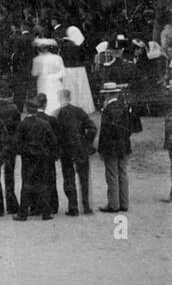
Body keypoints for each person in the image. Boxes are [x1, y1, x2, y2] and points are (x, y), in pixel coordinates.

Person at [97, 83, 141, 213]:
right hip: (124, 144)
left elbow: (105, 132)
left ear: (107, 94)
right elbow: (130, 128)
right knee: (122, 173)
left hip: (111, 146)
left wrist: (101, 149)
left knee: (111, 175)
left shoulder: (107, 110)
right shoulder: (124, 107)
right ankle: (124, 203)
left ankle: (113, 204)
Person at [14, 95, 58, 221]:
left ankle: (23, 213)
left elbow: (16, 142)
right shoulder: (44, 124)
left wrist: (22, 151)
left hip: (28, 158)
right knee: (43, 184)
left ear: (27, 110)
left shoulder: (23, 125)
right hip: (42, 157)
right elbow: (53, 140)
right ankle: (46, 213)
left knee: (26, 184)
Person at [54, 87, 96, 215]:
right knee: (84, 179)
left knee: (68, 179)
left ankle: (73, 207)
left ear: (59, 99)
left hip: (66, 150)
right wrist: (86, 142)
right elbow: (92, 128)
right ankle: (86, 206)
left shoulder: (57, 114)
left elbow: (55, 135)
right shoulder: (79, 111)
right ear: (70, 98)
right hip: (80, 149)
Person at [32, 38, 65, 115]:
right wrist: (55, 77)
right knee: (55, 100)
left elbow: (34, 73)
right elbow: (63, 72)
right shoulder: (57, 58)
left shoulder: (37, 59)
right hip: (55, 82)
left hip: (43, 82)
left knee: (44, 101)